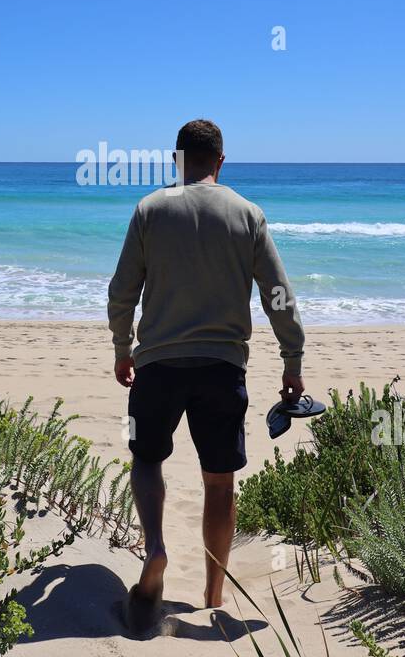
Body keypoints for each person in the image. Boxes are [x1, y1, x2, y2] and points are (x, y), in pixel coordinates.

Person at [107, 118, 304, 627]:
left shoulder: (151, 209)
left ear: (178, 160)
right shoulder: (248, 214)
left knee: (148, 461)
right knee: (219, 482)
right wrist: (292, 360)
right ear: (221, 160)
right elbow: (278, 295)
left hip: (158, 363)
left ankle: (155, 549)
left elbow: (122, 291)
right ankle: (214, 592)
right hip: (222, 366)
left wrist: (122, 349)